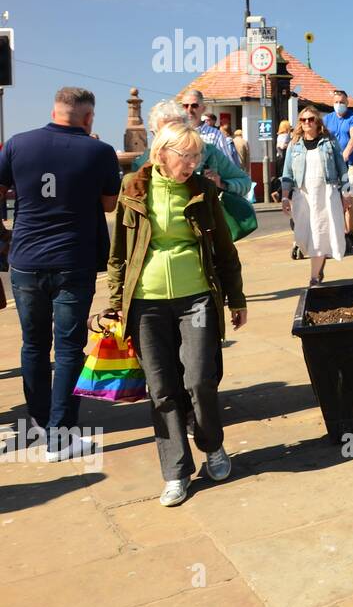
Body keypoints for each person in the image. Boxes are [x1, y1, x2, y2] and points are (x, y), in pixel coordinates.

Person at [102, 121, 246, 506]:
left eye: (197, 156)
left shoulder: (202, 190)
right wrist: (115, 303)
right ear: (162, 154)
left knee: (200, 379)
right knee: (162, 388)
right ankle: (175, 472)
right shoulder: (134, 188)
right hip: (146, 303)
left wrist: (237, 298)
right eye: (186, 156)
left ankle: (212, 445)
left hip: (196, 298)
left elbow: (224, 249)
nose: (193, 164)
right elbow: (118, 254)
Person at [0, 87, 121, 460]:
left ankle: (37, 422)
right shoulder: (99, 152)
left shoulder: (17, 145)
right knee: (69, 347)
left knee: (33, 344)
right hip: (74, 260)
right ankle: (61, 433)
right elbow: (110, 203)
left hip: (26, 261)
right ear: (88, 118)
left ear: (54, 111)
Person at [280, 107, 351, 285]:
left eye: (310, 119)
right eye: (303, 120)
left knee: (320, 234)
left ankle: (314, 276)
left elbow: (342, 168)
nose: (307, 123)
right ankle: (318, 266)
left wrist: (346, 192)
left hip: (325, 193)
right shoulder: (294, 144)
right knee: (302, 237)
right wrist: (285, 197)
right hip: (303, 195)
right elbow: (287, 172)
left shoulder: (329, 141)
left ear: (317, 121)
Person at [133, 101, 251, 200]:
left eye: (178, 130)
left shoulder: (208, 152)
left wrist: (222, 185)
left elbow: (245, 182)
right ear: (154, 134)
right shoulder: (142, 163)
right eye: (165, 133)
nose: (172, 137)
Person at [322, 89, 353, 253]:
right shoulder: (327, 119)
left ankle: (349, 232)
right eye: (336, 102)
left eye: (342, 102)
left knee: (348, 196)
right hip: (331, 163)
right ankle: (337, 232)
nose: (339, 105)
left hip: (350, 162)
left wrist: (344, 155)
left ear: (346, 103)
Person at [181, 89, 238, 165]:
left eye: (194, 106)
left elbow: (228, 165)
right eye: (185, 106)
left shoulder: (217, 136)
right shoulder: (175, 134)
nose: (189, 109)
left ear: (203, 109)